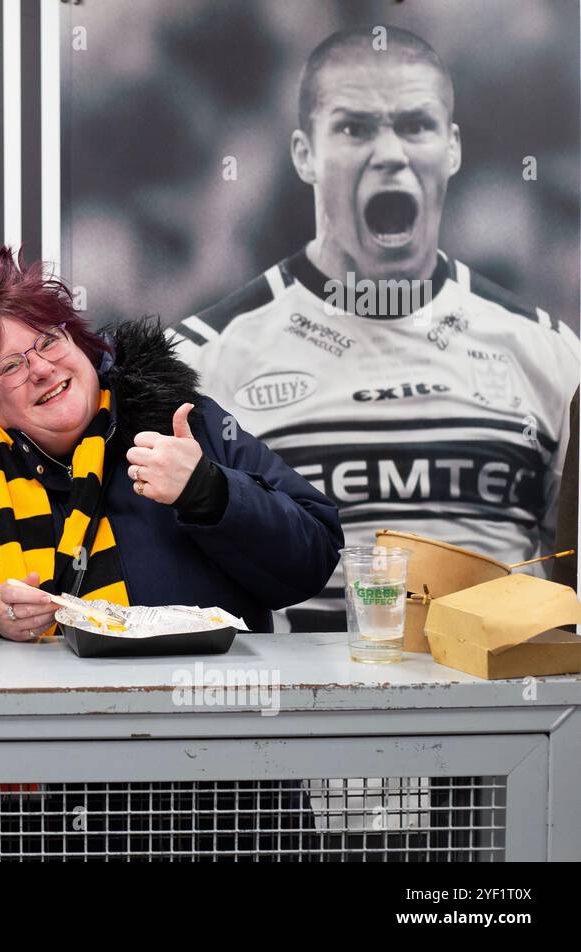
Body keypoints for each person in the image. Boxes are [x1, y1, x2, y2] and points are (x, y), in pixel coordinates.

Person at [168, 25, 580, 630]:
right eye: (355, 127)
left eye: (416, 125)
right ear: (304, 154)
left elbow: (572, 579)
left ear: (453, 148)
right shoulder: (205, 357)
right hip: (300, 713)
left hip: (500, 715)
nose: (390, 153)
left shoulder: (550, 352)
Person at [0, 247, 342, 639]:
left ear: (83, 345)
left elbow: (312, 561)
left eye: (49, 341)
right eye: (10, 366)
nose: (40, 369)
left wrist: (208, 490)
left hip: (203, 714)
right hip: (40, 726)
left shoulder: (185, 425)